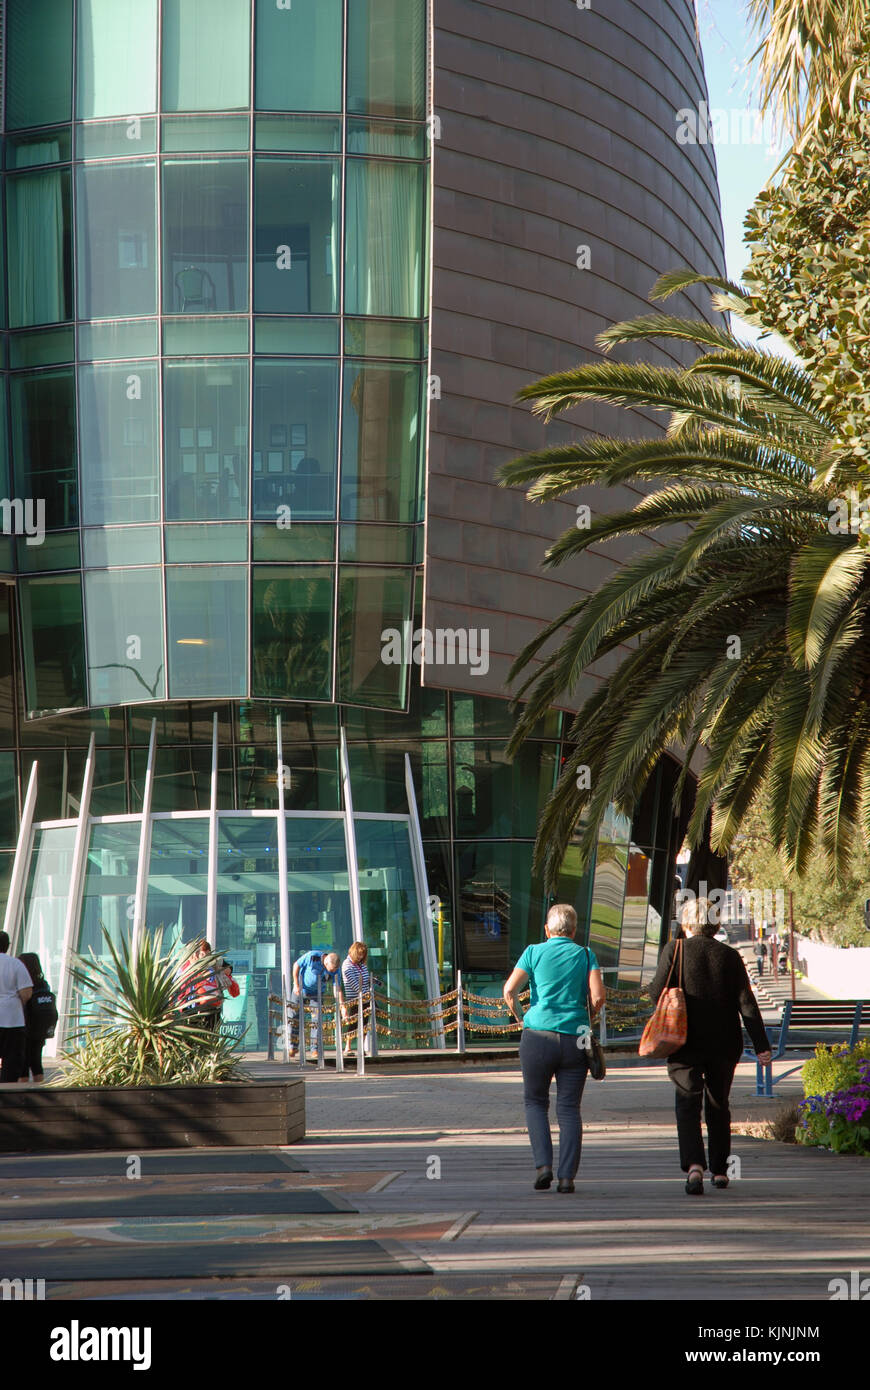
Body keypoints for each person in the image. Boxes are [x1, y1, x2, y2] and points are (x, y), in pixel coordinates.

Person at [648, 897, 772, 1195]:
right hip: (724, 1043)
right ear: (716, 925)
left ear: (685, 923)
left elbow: (655, 994)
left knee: (687, 1104)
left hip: (683, 1041)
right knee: (719, 1104)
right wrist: (762, 1045)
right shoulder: (730, 956)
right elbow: (747, 1003)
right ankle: (720, 1171)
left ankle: (694, 1167)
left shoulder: (674, 950)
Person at [503, 904, 605, 1193]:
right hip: (577, 1038)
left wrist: (523, 1017)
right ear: (574, 931)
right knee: (569, 1107)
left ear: (547, 930)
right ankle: (566, 1178)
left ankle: (543, 1166)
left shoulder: (533, 952)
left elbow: (509, 990)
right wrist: (587, 1018)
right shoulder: (586, 955)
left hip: (536, 1036)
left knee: (535, 1102)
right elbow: (598, 997)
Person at [288, 948, 342, 1057]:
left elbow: (337, 987)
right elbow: (296, 965)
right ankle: (293, 1046)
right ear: (326, 961)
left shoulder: (336, 969)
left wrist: (341, 1004)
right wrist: (296, 984)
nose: (331, 972)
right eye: (330, 970)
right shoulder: (312, 956)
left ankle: (314, 1049)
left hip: (317, 994)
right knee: (293, 1017)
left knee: (317, 1020)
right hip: (301, 990)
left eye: (332, 971)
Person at [18, 952, 56, 1084]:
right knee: (36, 1061)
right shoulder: (43, 984)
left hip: (26, 1026)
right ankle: (40, 1089)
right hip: (40, 1027)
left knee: (23, 1063)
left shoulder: (25, 983)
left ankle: (22, 1096)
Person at [0, 931, 32, 1083]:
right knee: (12, 1060)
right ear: (7, 946)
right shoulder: (16, 964)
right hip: (13, 1019)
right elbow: (26, 993)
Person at [177, 940, 225, 1032]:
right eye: (192, 953)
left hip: (208, 1010)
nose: (195, 955)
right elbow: (175, 988)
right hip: (187, 1010)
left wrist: (200, 969)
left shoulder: (208, 968)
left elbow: (211, 980)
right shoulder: (182, 970)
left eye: (197, 952)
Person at [340, 942, 371, 1056]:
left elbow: (367, 979)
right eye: (359, 954)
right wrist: (364, 990)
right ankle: (347, 1047)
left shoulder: (362, 965)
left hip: (365, 998)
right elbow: (354, 984)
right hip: (354, 998)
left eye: (362, 955)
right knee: (353, 1023)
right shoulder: (347, 965)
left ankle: (360, 1047)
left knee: (364, 1024)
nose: (361, 957)